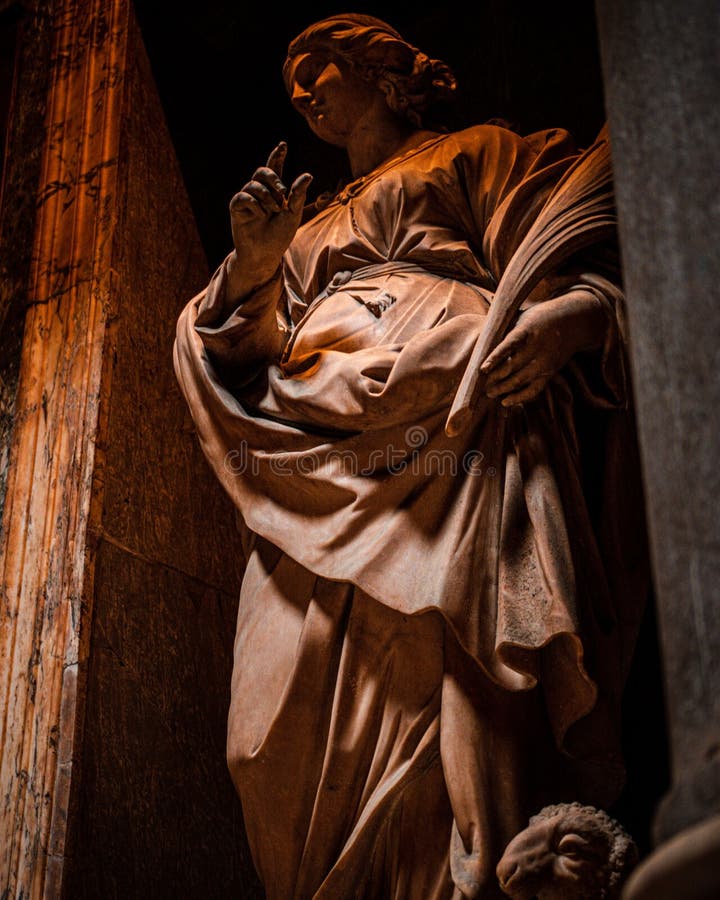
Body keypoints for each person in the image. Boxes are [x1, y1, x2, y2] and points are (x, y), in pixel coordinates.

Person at [174, 13, 648, 899]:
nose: (307, 95)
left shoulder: (477, 151)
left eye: (321, 71)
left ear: (383, 74)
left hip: (456, 410)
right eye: (294, 89)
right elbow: (233, 350)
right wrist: (255, 268)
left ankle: (479, 871)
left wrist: (574, 314)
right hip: (311, 450)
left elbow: (582, 243)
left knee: (457, 664)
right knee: (259, 740)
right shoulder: (306, 220)